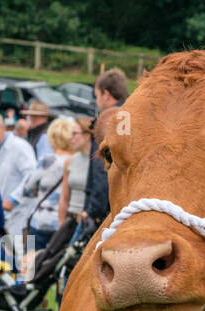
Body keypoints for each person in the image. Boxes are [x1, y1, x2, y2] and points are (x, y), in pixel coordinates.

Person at [8, 115, 74, 270]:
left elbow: (27, 187)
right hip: (63, 224)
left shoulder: (46, 161)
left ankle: (24, 292)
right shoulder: (76, 162)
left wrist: (38, 191)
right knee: (60, 268)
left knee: (28, 266)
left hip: (40, 221)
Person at [78, 67, 130, 236]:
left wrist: (92, 211)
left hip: (104, 213)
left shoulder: (108, 121)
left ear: (106, 94)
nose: (97, 100)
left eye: (97, 95)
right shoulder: (132, 117)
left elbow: (102, 170)